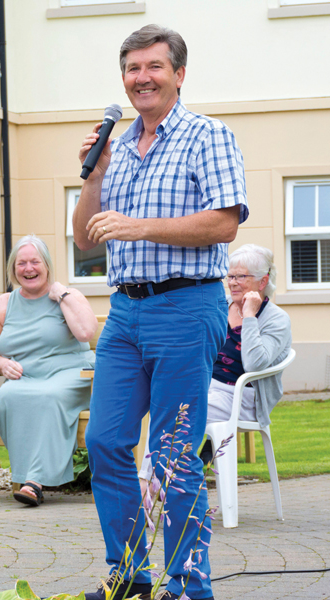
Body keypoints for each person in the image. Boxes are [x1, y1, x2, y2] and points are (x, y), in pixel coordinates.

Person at [73, 25, 248, 600]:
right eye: (132, 68)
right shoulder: (119, 149)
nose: (141, 78)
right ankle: (129, 575)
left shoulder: (207, 136)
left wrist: (140, 227)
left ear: (178, 73)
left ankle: (188, 585)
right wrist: (96, 174)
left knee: (172, 454)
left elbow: (225, 222)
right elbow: (85, 240)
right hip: (124, 312)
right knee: (105, 442)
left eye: (153, 66)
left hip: (186, 305)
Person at [138, 244, 292, 483]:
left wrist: (249, 317)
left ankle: (151, 484)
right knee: (165, 401)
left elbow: (254, 365)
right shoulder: (221, 305)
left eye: (241, 277)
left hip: (242, 397)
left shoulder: (277, 319)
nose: (232, 283)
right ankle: (158, 480)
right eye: (230, 276)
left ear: (263, 281)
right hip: (206, 385)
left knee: (172, 409)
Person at [0, 235, 97, 507]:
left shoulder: (67, 295)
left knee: (48, 396)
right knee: (6, 396)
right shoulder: (4, 303)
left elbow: (86, 332)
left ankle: (34, 482)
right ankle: (30, 478)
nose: (28, 269)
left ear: (47, 265)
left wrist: (62, 296)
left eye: (35, 262)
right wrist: (1, 364)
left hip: (72, 372)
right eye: (21, 263)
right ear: (13, 269)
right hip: (26, 376)